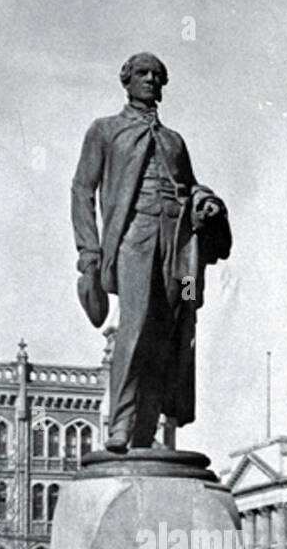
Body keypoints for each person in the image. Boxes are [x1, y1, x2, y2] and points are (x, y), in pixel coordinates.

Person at [71, 52, 230, 452]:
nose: (150, 80)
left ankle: (151, 428)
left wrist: (206, 201)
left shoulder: (175, 141)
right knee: (136, 323)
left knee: (179, 324)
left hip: (181, 247)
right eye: (142, 73)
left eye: (157, 76)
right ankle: (120, 426)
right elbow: (81, 190)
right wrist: (89, 254)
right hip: (135, 237)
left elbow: (189, 184)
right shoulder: (105, 131)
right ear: (126, 81)